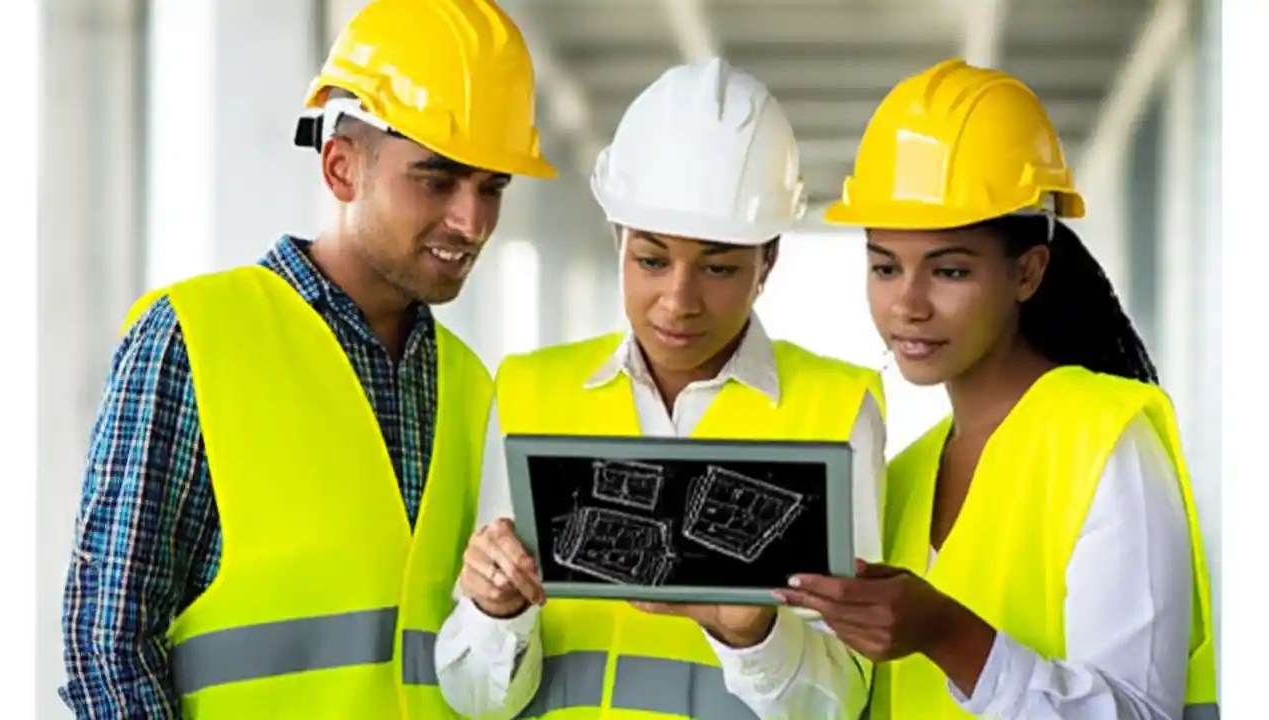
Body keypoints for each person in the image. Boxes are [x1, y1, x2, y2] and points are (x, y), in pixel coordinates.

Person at [57, 1, 555, 717]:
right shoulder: (193, 338)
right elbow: (107, 646)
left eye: (492, 188)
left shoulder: (472, 386)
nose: (471, 222)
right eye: (437, 180)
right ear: (341, 167)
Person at [432, 57, 888, 719]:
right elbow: (477, 704)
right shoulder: (531, 394)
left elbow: (844, 702)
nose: (679, 300)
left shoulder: (839, 410)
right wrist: (493, 611)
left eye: (719, 266)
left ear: (768, 262)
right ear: (618, 240)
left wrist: (752, 633)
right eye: (651, 259)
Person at [774, 59, 1219, 719]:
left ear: (1028, 273)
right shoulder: (904, 475)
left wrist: (947, 633)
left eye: (950, 270)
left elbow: (1139, 713)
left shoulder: (1104, 439)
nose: (909, 305)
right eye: (885, 267)